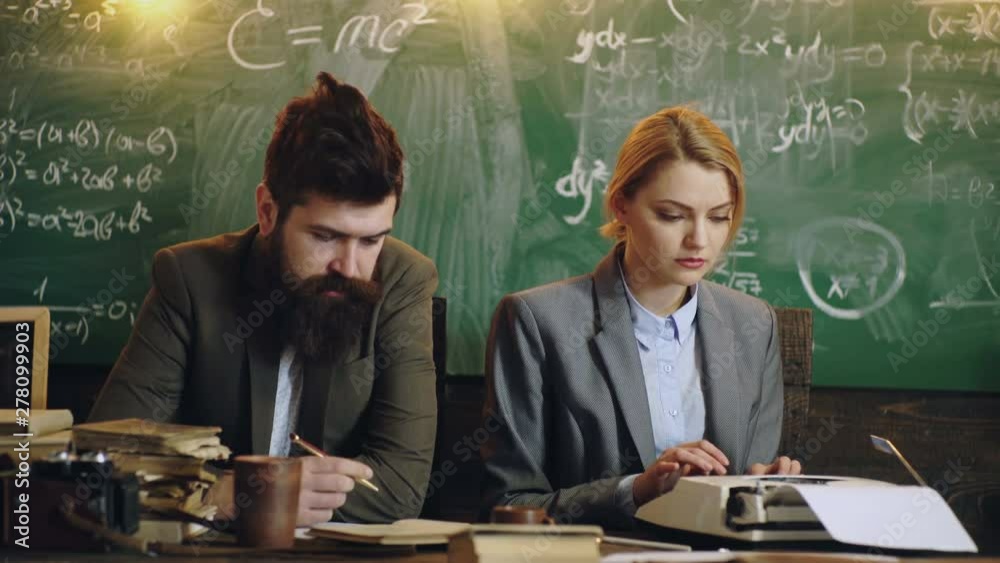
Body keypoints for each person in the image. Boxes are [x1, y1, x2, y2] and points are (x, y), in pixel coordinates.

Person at [89, 72, 439, 525]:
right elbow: (104, 459)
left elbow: (401, 489)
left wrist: (265, 494)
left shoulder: (404, 281)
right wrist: (230, 494)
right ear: (268, 211)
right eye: (325, 237)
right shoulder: (188, 280)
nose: (350, 268)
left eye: (371, 240)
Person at [481, 106, 801, 529]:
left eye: (718, 217)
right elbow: (508, 505)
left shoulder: (754, 325)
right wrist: (634, 490)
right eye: (672, 215)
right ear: (621, 206)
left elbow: (747, 495)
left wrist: (762, 488)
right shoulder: (537, 322)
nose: (699, 239)